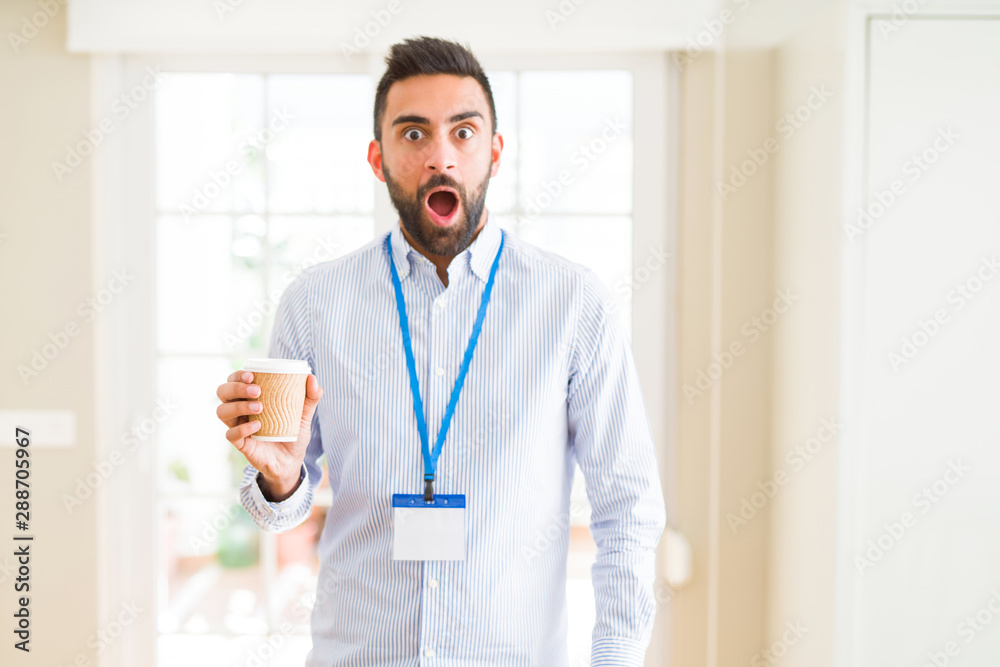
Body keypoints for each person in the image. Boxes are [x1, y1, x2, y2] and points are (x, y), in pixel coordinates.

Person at [216, 35, 666, 667]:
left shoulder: (574, 304)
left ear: (494, 152)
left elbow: (628, 508)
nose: (440, 157)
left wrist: (615, 658)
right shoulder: (315, 303)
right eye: (413, 134)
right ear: (377, 158)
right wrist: (280, 477)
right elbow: (275, 515)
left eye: (463, 132)